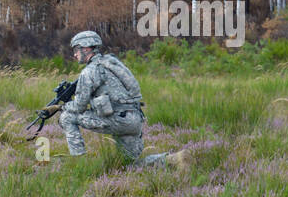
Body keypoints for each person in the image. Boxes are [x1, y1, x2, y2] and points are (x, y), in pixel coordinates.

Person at [47, 32, 186, 169]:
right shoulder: (112, 62)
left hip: (117, 120)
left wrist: (62, 107)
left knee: (67, 117)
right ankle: (173, 159)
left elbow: (79, 106)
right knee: (130, 165)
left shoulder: (89, 71)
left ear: (86, 48)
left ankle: (79, 163)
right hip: (135, 119)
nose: (74, 54)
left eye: (76, 49)